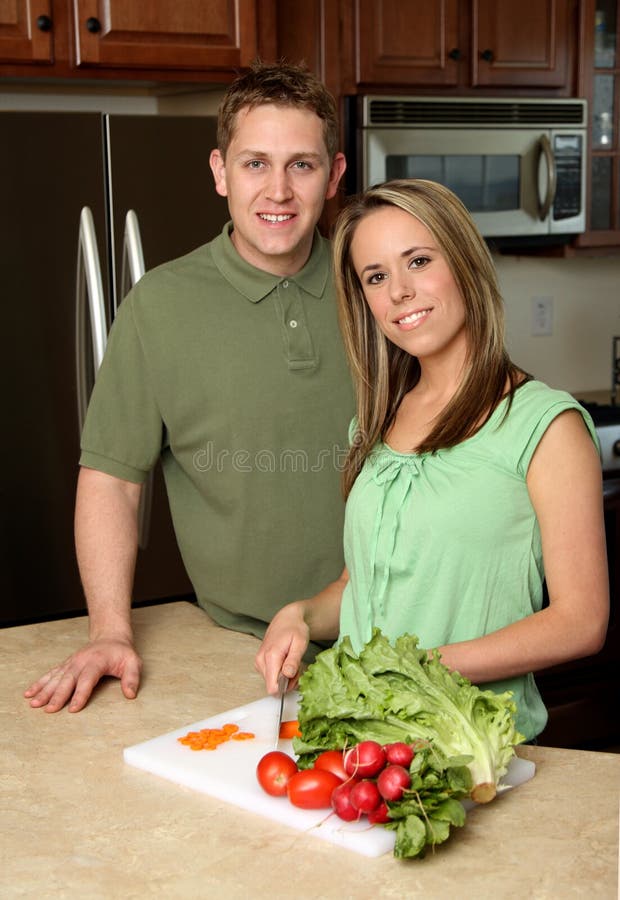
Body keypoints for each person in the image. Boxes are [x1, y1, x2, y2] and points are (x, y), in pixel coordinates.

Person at [24, 61, 353, 713]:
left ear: (335, 175)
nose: (278, 190)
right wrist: (111, 630)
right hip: (241, 655)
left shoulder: (376, 283)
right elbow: (113, 481)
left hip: (408, 635)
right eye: (255, 163)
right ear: (220, 172)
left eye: (302, 165)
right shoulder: (159, 306)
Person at [255, 178, 609, 742]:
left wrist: (420, 669)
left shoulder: (544, 427)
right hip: (362, 743)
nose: (398, 292)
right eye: (376, 276)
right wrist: (298, 616)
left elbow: (582, 621)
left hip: (476, 753)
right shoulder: (373, 424)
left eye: (417, 261)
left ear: (464, 262)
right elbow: (365, 582)